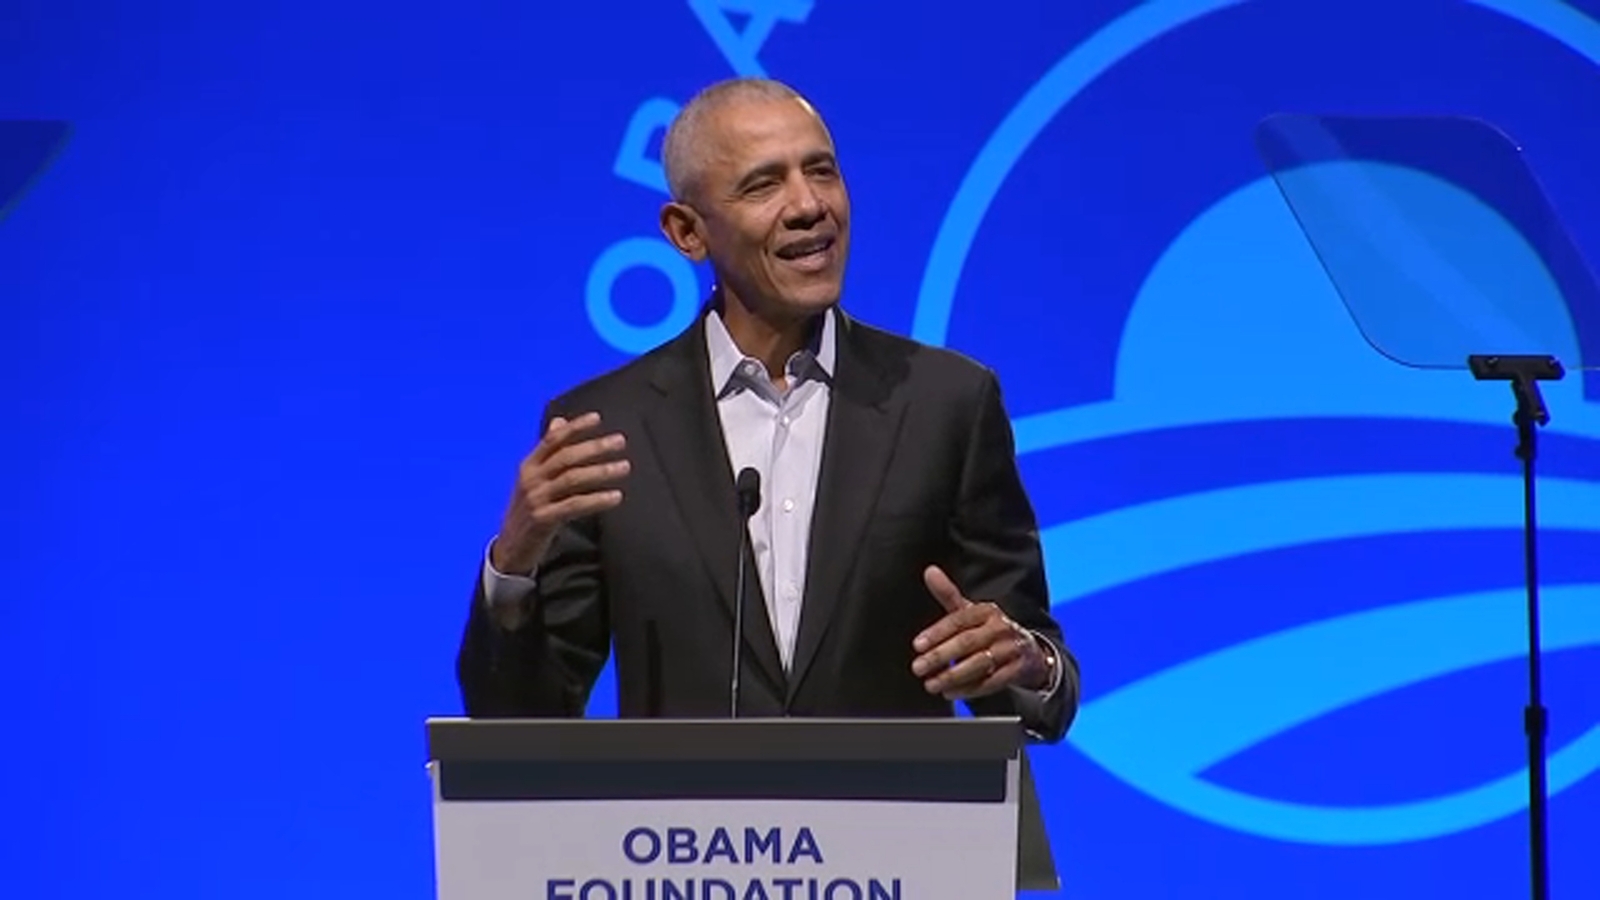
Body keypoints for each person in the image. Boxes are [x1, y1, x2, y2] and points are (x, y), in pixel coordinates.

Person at [456, 77, 1079, 742]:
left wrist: (1025, 662)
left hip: (896, 833)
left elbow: (1037, 682)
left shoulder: (947, 403)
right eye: (763, 185)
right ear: (687, 233)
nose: (809, 205)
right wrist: (515, 561)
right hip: (682, 839)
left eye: (822, 172)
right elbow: (520, 722)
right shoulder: (608, 429)